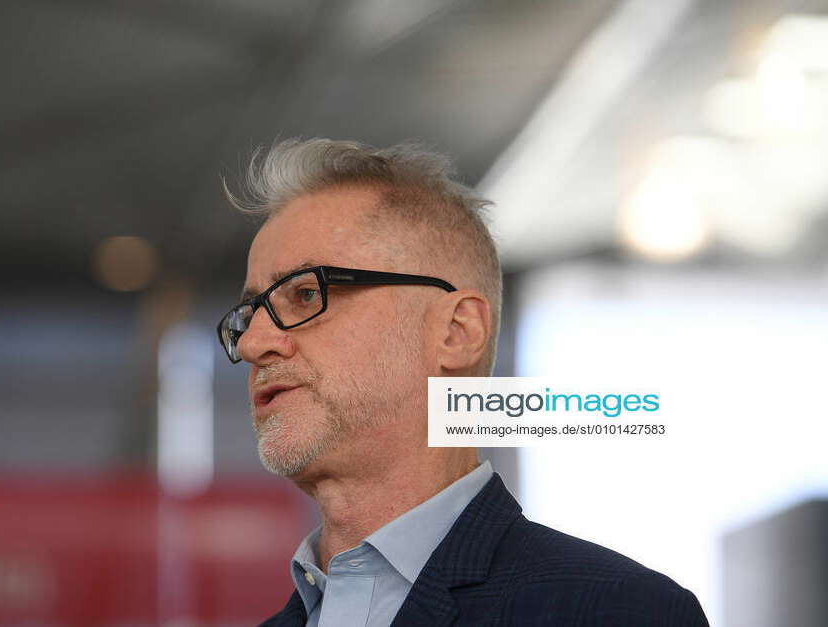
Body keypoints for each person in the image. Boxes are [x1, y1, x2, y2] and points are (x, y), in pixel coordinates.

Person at [216, 138, 709, 626]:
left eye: (305, 294)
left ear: (456, 332)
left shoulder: (617, 612)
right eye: (249, 313)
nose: (253, 343)